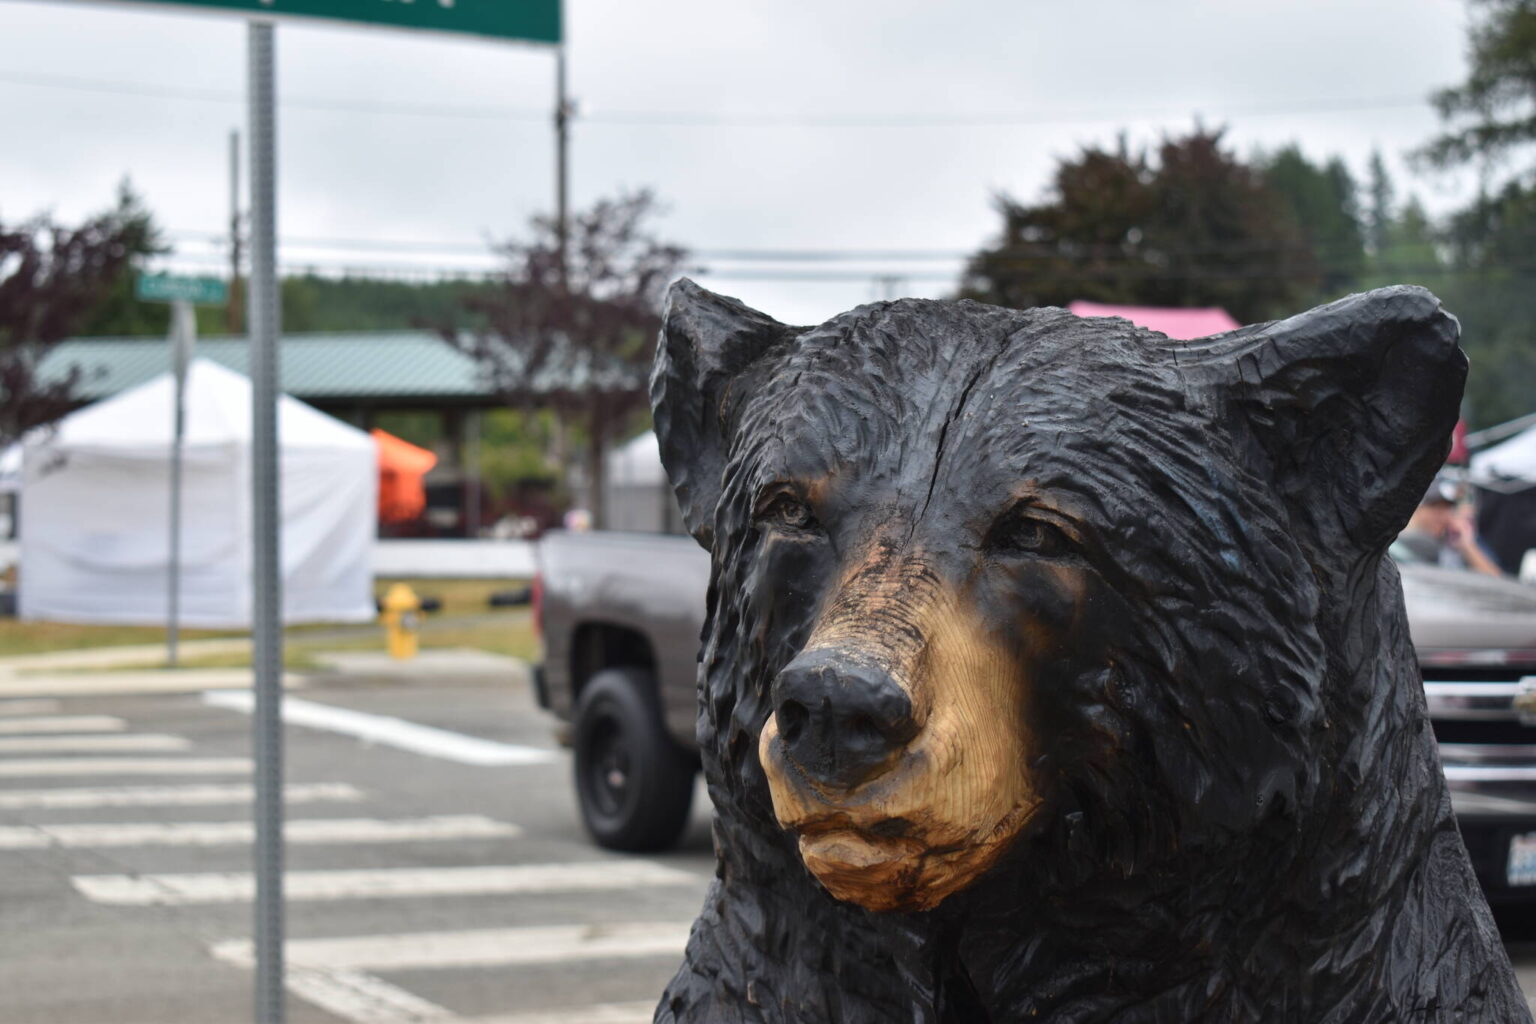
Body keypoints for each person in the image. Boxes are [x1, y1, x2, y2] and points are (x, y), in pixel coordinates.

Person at [1397, 477, 1505, 577]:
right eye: (1435, 508)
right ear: (1418, 509)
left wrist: (1467, 546)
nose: (1441, 516)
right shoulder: (1401, 539)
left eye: (1447, 508)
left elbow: (1497, 581)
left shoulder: (1459, 542)